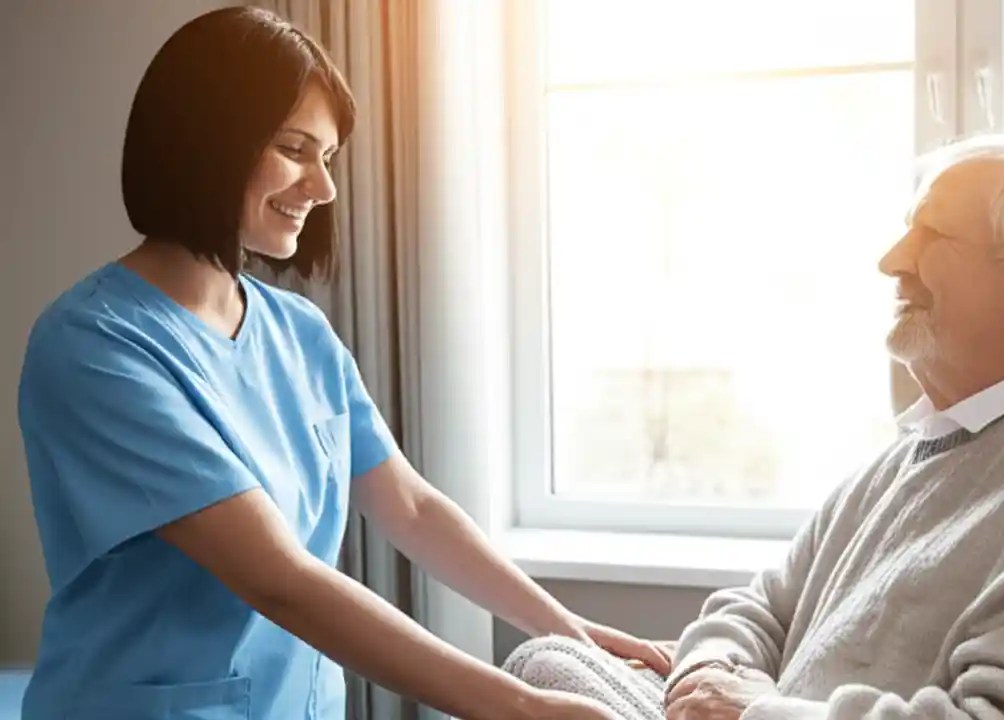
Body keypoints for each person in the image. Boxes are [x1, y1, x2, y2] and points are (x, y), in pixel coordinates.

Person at [16, 7, 667, 719]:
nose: (323, 187)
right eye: (296, 149)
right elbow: (279, 579)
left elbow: (411, 508)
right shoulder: (94, 346)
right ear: (207, 140)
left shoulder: (299, 332)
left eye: (326, 158)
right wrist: (518, 707)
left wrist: (570, 635)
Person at [503, 137, 1004, 720]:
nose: (891, 261)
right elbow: (760, 603)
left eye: (932, 233)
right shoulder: (927, 446)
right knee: (546, 665)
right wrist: (709, 673)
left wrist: (758, 714)